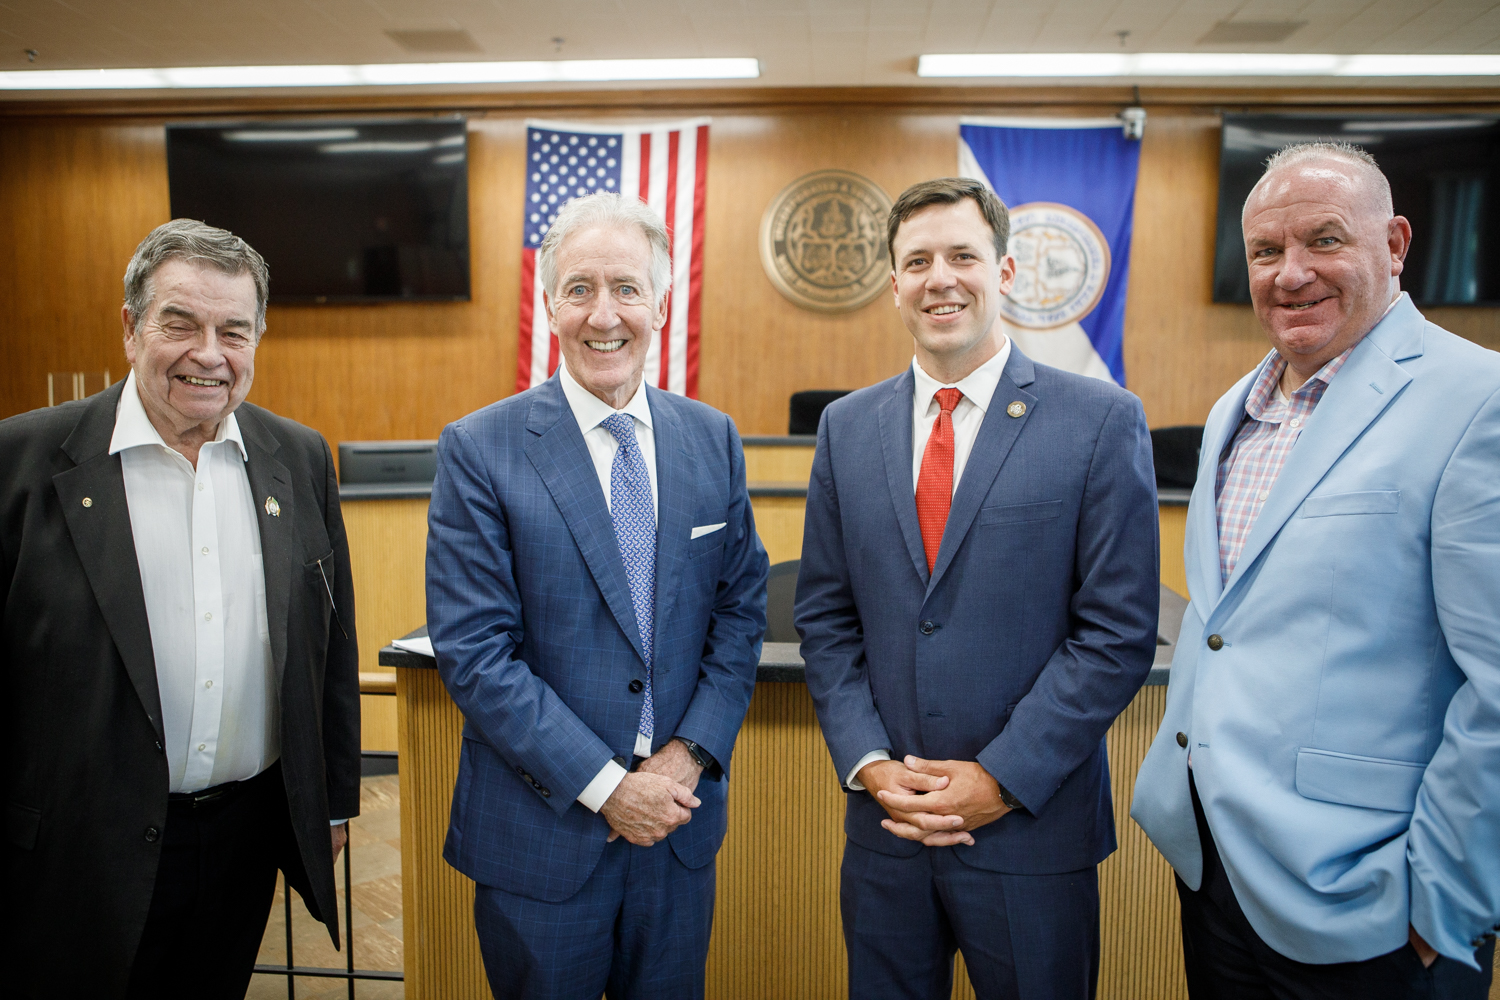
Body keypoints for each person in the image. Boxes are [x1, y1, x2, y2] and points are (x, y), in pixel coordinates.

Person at [1131, 141, 1500, 998]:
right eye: (1266, 251)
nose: (1290, 273)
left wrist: (1441, 906)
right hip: (1217, 872)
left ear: (1396, 244)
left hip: (1375, 899)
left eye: (1323, 241)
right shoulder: (1238, 408)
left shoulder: (1478, 399)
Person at [795, 177, 1160, 999]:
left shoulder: (1100, 420)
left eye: (963, 255)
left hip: (1030, 831)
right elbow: (825, 614)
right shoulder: (846, 429)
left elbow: (1116, 631)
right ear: (894, 285)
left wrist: (999, 779)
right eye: (917, 261)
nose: (940, 278)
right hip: (888, 829)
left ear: (1006, 272)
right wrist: (867, 763)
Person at [0, 219, 361, 999]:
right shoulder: (20, 464)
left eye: (234, 330)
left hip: (241, 838)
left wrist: (329, 803)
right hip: (73, 847)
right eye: (181, 323)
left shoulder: (297, 457)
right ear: (131, 329)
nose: (210, 353)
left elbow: (327, 645)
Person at [426, 191, 768, 999]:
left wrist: (687, 757)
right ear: (548, 305)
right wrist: (611, 789)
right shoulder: (480, 448)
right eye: (579, 288)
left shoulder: (711, 438)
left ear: (659, 303)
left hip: (677, 832)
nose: (602, 313)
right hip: (543, 836)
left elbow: (740, 612)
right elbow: (476, 655)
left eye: (625, 287)